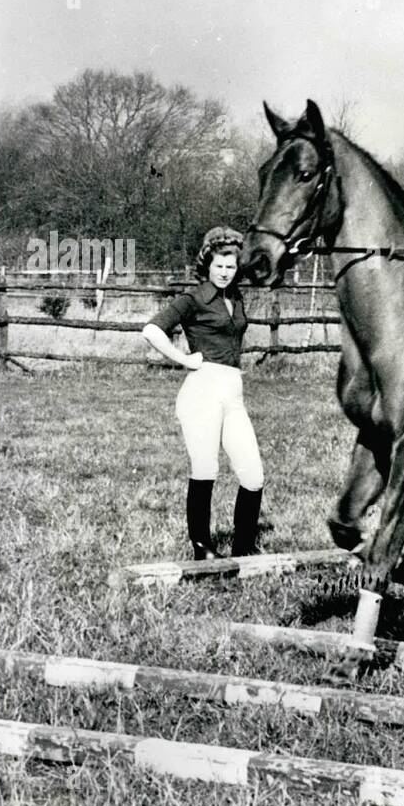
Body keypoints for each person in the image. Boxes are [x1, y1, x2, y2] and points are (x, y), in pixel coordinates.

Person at [141, 226, 265, 560]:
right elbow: (152, 329)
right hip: (202, 391)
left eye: (231, 266)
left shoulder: (235, 297)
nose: (225, 272)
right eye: (219, 265)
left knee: (253, 475)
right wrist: (183, 359)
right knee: (205, 468)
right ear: (207, 264)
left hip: (233, 392)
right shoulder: (193, 298)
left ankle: (243, 549)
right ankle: (203, 550)